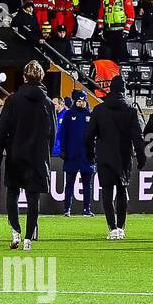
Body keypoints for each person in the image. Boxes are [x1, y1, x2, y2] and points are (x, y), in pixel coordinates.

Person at [0, 60, 55, 250]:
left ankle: (15, 232)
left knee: (12, 192)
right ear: (42, 77)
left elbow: (1, 131)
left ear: (24, 77)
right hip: (37, 157)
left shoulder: (13, 100)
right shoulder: (48, 103)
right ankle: (29, 238)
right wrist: (47, 155)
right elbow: (51, 134)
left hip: (15, 154)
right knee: (33, 197)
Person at [85, 75, 147, 239]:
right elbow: (137, 137)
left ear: (110, 89)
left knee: (106, 192)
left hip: (104, 156)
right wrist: (141, 157)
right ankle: (121, 227)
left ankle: (112, 228)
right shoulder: (131, 111)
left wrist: (90, 154)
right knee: (122, 190)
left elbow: (89, 136)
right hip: (123, 156)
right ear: (124, 90)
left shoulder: (99, 110)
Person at [57, 89, 95, 217]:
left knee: (87, 185)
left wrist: (94, 153)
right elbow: (63, 134)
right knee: (69, 184)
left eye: (83, 101)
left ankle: (87, 209)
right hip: (72, 155)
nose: (81, 103)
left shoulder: (90, 114)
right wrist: (63, 150)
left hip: (86, 156)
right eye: (78, 101)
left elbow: (95, 135)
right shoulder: (69, 114)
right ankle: (67, 209)